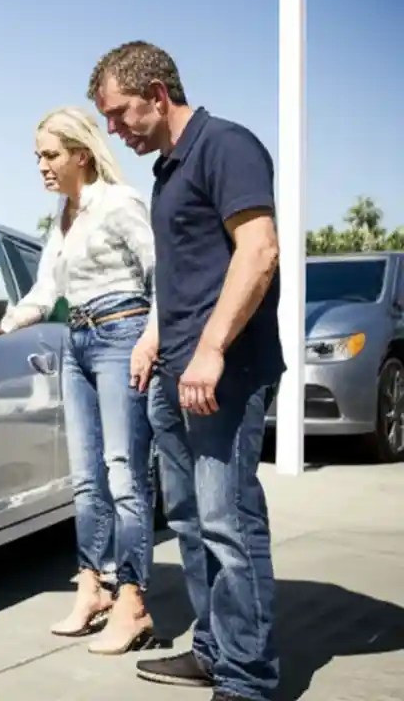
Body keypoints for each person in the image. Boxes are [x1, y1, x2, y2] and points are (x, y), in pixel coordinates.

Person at [88, 40, 283, 701]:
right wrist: (152, 337)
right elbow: (182, 274)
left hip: (222, 371)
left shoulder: (227, 146)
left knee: (229, 521)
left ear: (157, 94)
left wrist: (211, 348)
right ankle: (213, 651)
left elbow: (259, 251)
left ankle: (249, 679)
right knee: (193, 521)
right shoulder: (168, 169)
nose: (114, 129)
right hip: (176, 370)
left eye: (118, 114)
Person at [1, 106, 158, 655]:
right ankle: (92, 589)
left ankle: (133, 602)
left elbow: (161, 274)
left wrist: (151, 340)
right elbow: (45, 295)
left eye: (50, 154)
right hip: (77, 340)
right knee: (86, 480)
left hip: (122, 334)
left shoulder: (120, 203)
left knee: (124, 476)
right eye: (38, 157)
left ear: (81, 155)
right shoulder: (61, 217)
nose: (41, 166)